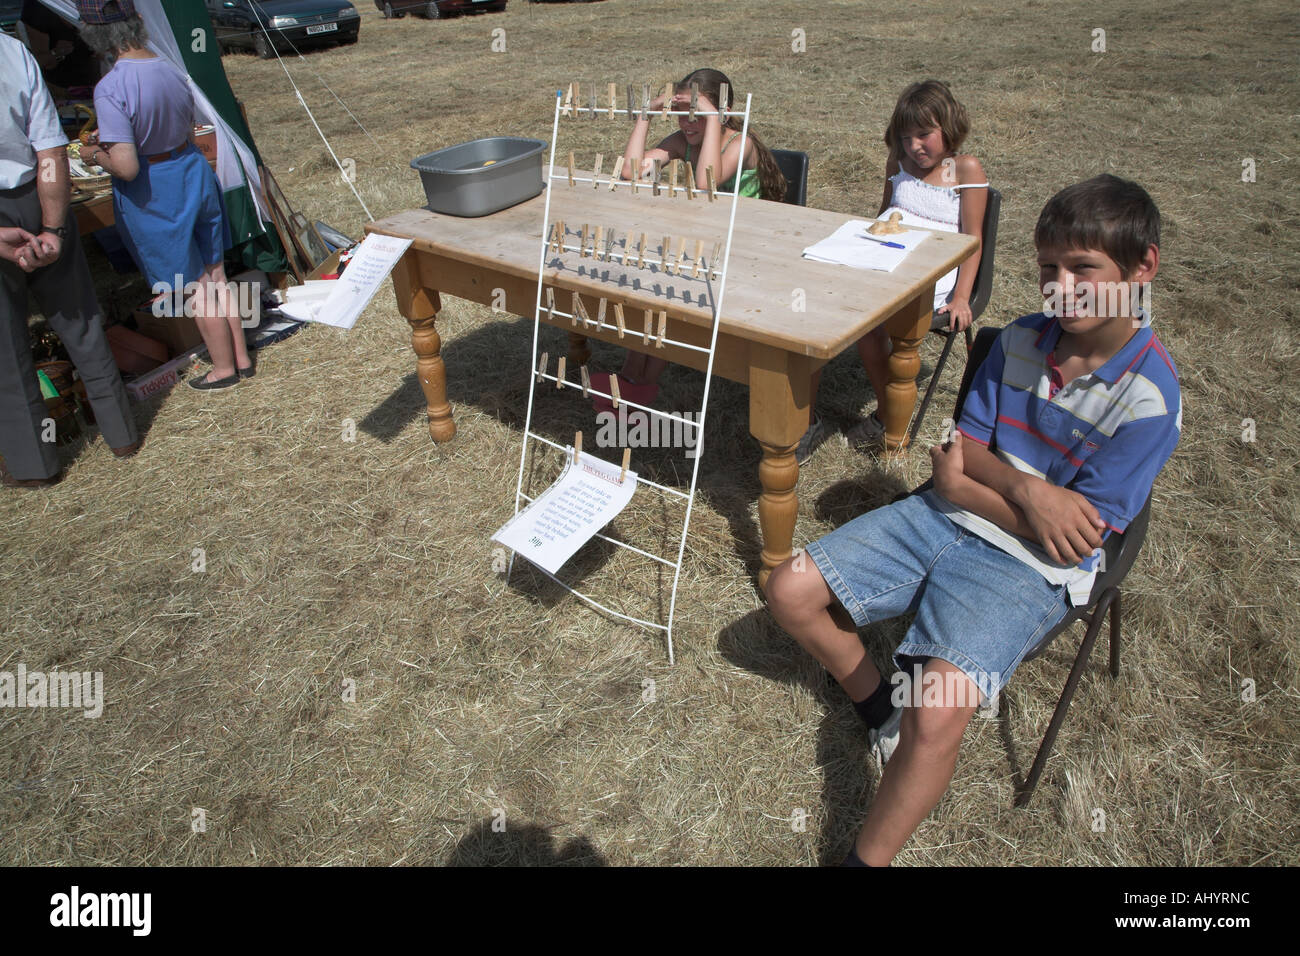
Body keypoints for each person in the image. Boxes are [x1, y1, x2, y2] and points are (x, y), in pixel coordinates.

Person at [766, 174, 1180, 866]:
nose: (1061, 286)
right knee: (789, 591)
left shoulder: (1149, 397)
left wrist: (978, 486)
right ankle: (877, 712)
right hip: (941, 514)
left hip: (1034, 569)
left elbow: (1074, 538)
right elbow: (963, 459)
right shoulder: (1017, 340)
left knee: (938, 711)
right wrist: (1030, 493)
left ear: (1143, 269)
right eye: (1049, 267)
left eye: (1084, 268)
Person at [799, 80, 988, 463]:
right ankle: (804, 418)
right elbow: (883, 216)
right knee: (819, 305)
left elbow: (973, 239)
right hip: (884, 258)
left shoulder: (963, 168)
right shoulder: (897, 164)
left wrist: (964, 296)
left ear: (948, 127)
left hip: (932, 272)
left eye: (924, 135)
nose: (915, 146)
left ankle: (889, 416)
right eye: (906, 138)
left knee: (870, 326)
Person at [77, 0, 252, 390]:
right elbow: (187, 130)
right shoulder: (169, 67)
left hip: (157, 190)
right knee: (216, 274)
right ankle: (240, 357)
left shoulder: (110, 87)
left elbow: (125, 166)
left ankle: (223, 369)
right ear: (137, 24)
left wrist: (93, 153)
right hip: (191, 171)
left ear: (95, 35)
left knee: (193, 285)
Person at [592, 69, 786, 411]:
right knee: (654, 286)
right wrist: (646, 116)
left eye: (698, 115)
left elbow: (705, 183)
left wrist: (712, 120)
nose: (688, 123)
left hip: (748, 248)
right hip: (709, 244)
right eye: (682, 113)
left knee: (668, 290)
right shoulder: (685, 141)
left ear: (723, 113)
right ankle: (632, 380)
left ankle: (637, 386)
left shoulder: (741, 144)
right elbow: (630, 171)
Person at [0, 30, 139, 489]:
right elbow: (48, 148)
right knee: (78, 321)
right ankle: (121, 435)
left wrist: (51, 230)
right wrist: (53, 227)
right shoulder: (10, 49)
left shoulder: (11, 48)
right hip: (35, 196)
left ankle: (36, 467)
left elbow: (49, 146)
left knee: (9, 347)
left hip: (29, 199)